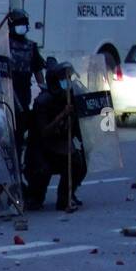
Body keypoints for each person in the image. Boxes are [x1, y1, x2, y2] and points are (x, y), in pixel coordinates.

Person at [25, 61, 86, 212]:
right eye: (64, 79)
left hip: (61, 146)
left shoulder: (71, 98)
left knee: (78, 162)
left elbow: (78, 129)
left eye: (69, 78)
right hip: (41, 150)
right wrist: (62, 115)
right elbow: (44, 132)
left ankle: (66, 197)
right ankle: (35, 196)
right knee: (41, 171)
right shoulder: (43, 102)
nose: (67, 82)